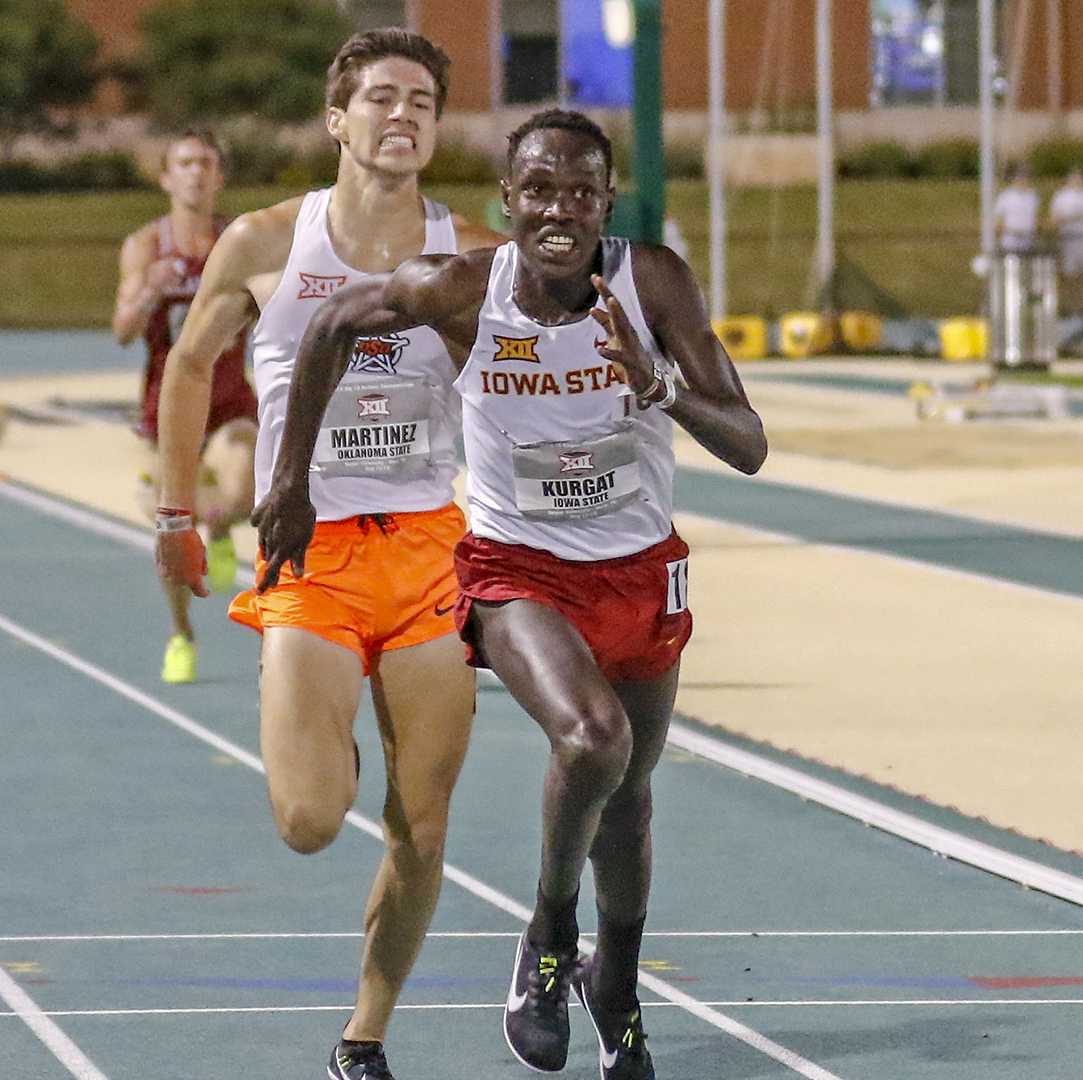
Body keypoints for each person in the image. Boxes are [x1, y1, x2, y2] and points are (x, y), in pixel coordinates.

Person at [250, 109, 768, 1080]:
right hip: (514, 568)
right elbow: (324, 325)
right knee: (593, 740)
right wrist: (289, 482)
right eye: (540, 191)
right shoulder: (457, 291)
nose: (560, 210)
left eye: (581, 192)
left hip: (639, 570)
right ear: (508, 200)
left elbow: (748, 443)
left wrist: (655, 386)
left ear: (607, 202)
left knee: (629, 801)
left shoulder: (651, 280)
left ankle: (615, 995)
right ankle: (549, 933)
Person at [151, 31, 503, 1080]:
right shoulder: (265, 244)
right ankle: (321, 713)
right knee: (310, 820)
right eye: (384, 97)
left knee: (423, 827)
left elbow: (525, 377)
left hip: (429, 552)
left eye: (425, 102)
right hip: (309, 554)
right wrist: (176, 517)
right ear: (336, 118)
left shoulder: (472, 253)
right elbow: (185, 369)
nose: (405, 115)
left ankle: (365, 1035)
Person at [115, 131, 261, 684]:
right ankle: (181, 634)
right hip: (168, 407)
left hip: (227, 401)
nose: (196, 173)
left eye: (206, 163)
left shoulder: (239, 240)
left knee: (245, 477)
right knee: (171, 525)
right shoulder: (146, 245)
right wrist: (149, 290)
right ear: (166, 178)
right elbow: (122, 331)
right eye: (185, 163)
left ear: (220, 177)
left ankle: (221, 522)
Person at [1050, 168, 1083, 276]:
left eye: (1080, 178)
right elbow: (1055, 217)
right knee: (1069, 269)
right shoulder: (1061, 196)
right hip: (1067, 237)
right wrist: (1074, 218)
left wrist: (1072, 218)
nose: (1077, 181)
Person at [994, 166, 1040, 255]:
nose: (1023, 182)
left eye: (1025, 179)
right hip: (1011, 239)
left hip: (1028, 238)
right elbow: (998, 217)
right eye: (1020, 179)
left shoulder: (1032, 196)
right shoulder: (1005, 196)